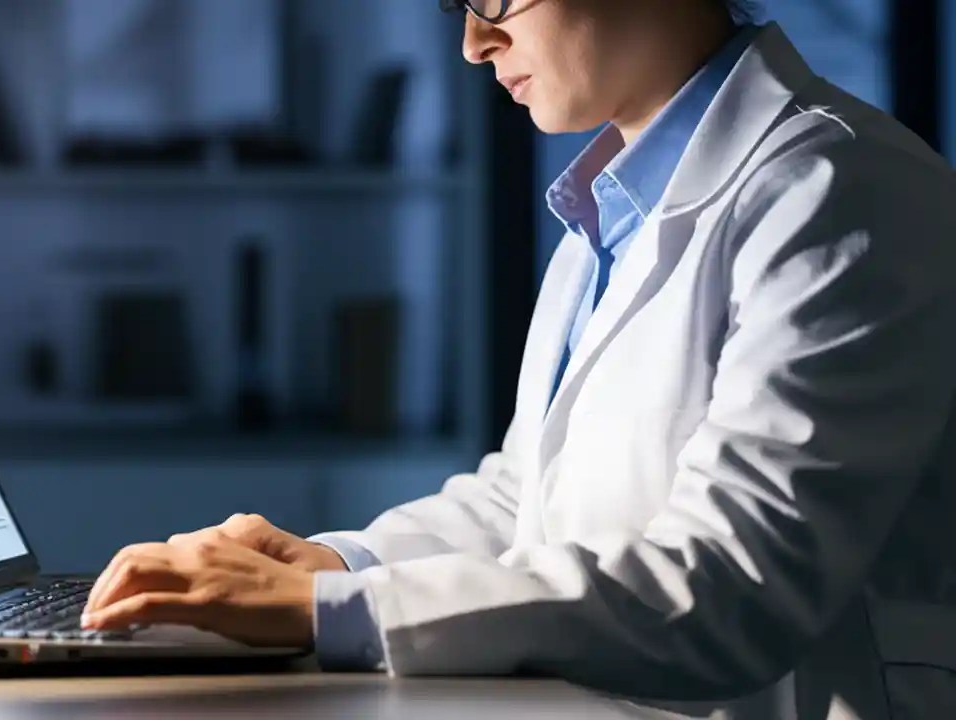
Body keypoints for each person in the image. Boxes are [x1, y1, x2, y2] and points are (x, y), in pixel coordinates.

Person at [81, 1, 956, 716]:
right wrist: (338, 565)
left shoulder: (838, 191)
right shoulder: (608, 211)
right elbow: (525, 500)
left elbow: (731, 591)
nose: (472, 43)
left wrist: (330, 615)